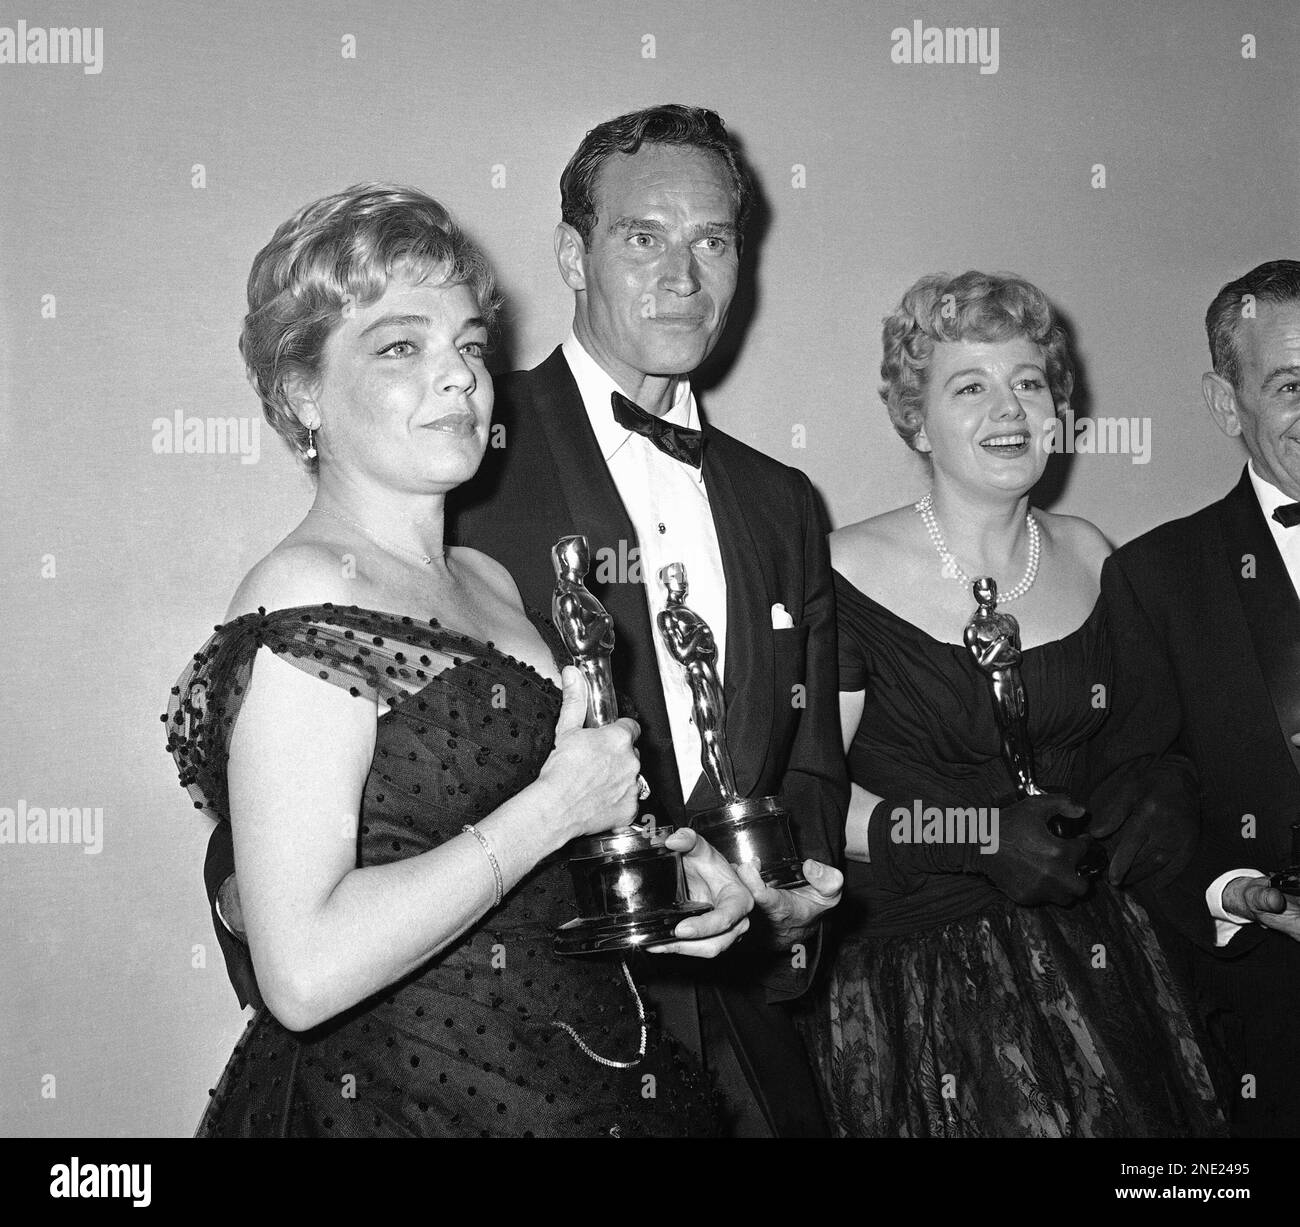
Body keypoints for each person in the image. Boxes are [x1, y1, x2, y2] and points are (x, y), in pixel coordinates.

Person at [165, 183, 756, 1138]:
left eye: (471, 346)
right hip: (400, 1101)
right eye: (402, 346)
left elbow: (522, 868)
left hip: (580, 1078)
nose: (461, 379)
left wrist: (674, 885)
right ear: (302, 389)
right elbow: (304, 973)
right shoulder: (302, 591)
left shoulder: (486, 576)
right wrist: (553, 808)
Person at [450, 104, 847, 1137]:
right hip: (530, 1037)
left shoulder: (783, 501)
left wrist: (788, 900)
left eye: (712, 241)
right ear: (572, 256)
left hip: (751, 1033)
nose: (684, 276)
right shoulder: (463, 460)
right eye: (644, 238)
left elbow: (808, 752)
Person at [805, 269, 1222, 1137]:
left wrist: (1161, 781)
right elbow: (812, 802)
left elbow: (1136, 745)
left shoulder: (1093, 555)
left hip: (1100, 950)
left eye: (1029, 382)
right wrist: (976, 836)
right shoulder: (840, 571)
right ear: (915, 418)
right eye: (971, 385)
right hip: (920, 971)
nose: (1010, 408)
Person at [1088, 260, 1300, 1137]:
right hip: (1277, 1020)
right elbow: (1136, 795)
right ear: (1226, 403)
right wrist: (1243, 891)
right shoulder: (1155, 579)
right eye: (1292, 384)